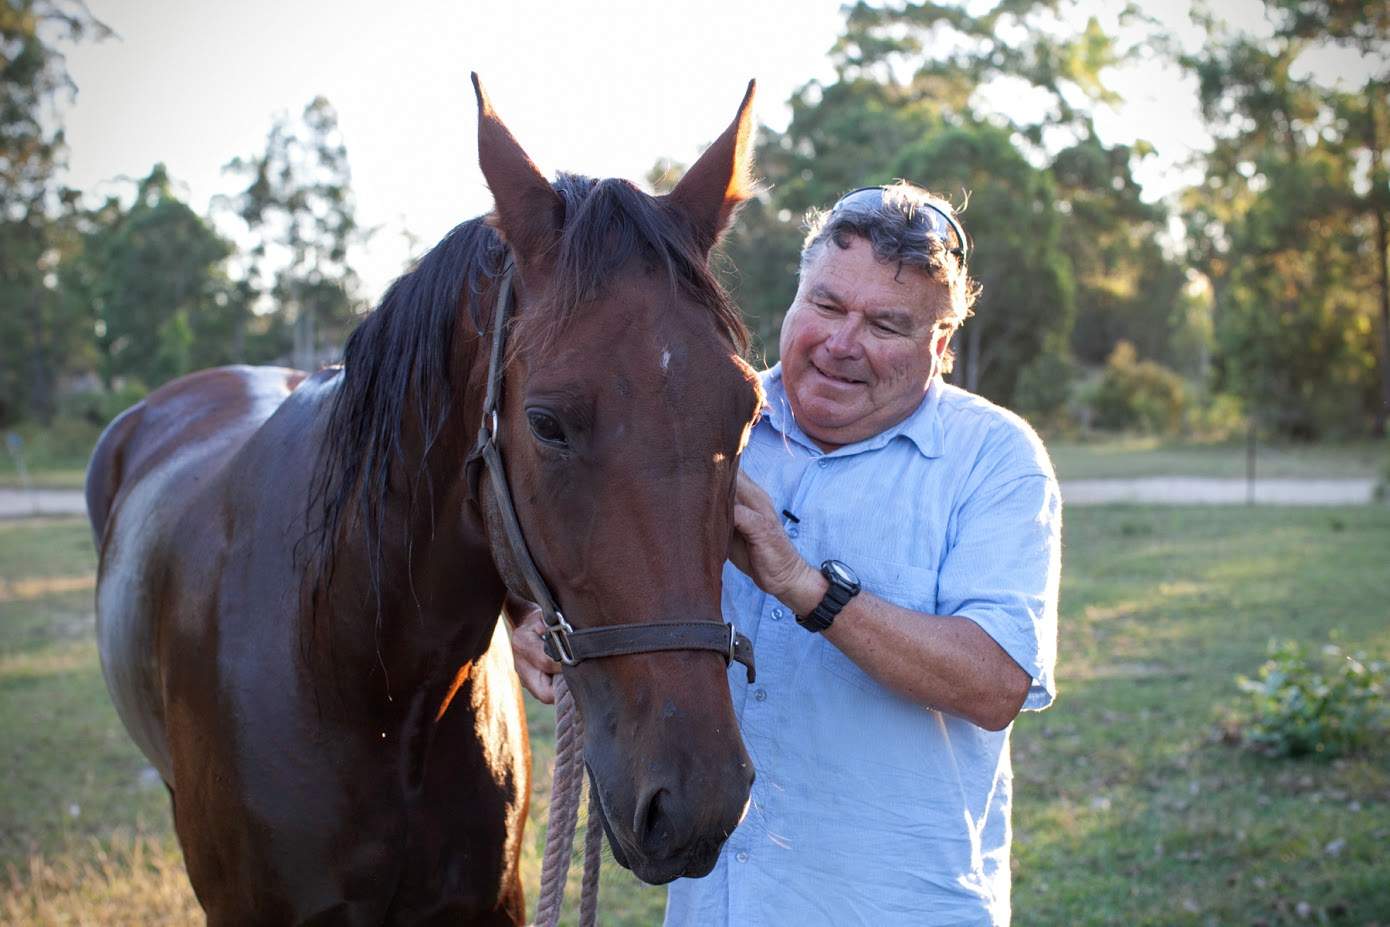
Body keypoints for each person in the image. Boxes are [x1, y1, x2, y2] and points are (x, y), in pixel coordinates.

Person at [511, 181, 1061, 926]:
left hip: (899, 905)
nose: (843, 342)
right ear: (795, 301)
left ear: (941, 345)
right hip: (719, 906)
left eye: (887, 325)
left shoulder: (993, 458)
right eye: (828, 306)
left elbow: (996, 683)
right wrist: (542, 629)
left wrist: (805, 585)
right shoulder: (702, 427)